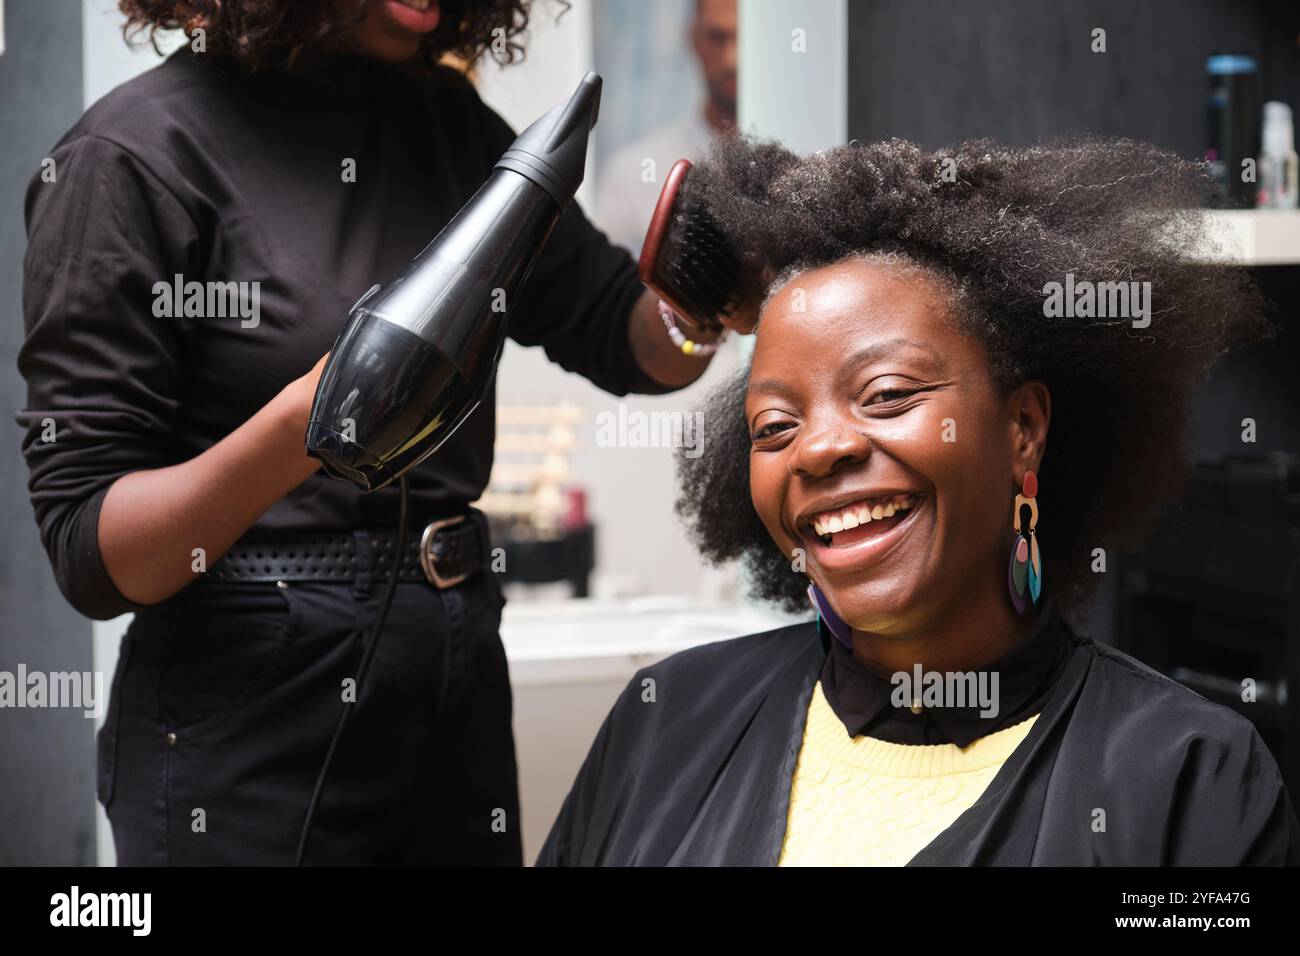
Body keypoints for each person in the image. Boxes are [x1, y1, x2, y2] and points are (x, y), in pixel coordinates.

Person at [16, 0, 740, 865]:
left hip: (453, 666)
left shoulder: (449, 125)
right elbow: (95, 552)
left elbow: (629, 339)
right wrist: (314, 417)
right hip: (249, 708)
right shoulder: (128, 158)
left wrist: (708, 287)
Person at [536, 135, 1300, 865]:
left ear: (1023, 429)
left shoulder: (1188, 781)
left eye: (888, 393)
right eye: (775, 425)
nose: (818, 448)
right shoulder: (666, 720)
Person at [593, 0, 737, 254]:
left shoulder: (802, 163)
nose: (732, 59)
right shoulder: (631, 173)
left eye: (744, 38)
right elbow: (609, 289)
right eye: (717, 37)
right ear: (694, 39)